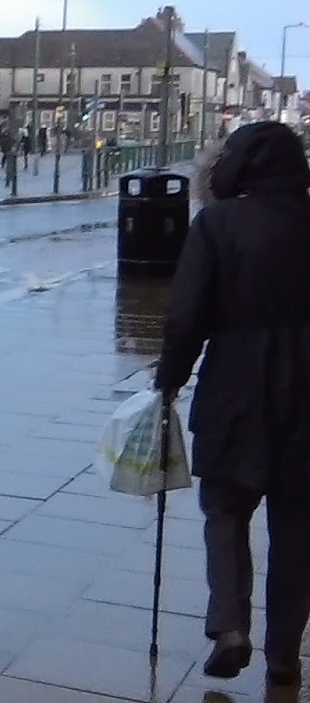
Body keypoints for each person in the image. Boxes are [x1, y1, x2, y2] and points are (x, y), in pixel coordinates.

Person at [155, 120, 310, 687]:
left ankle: (230, 626)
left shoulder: (217, 224)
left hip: (234, 386)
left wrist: (169, 380)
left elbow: (186, 316)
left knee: (224, 507)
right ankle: (284, 655)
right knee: (298, 525)